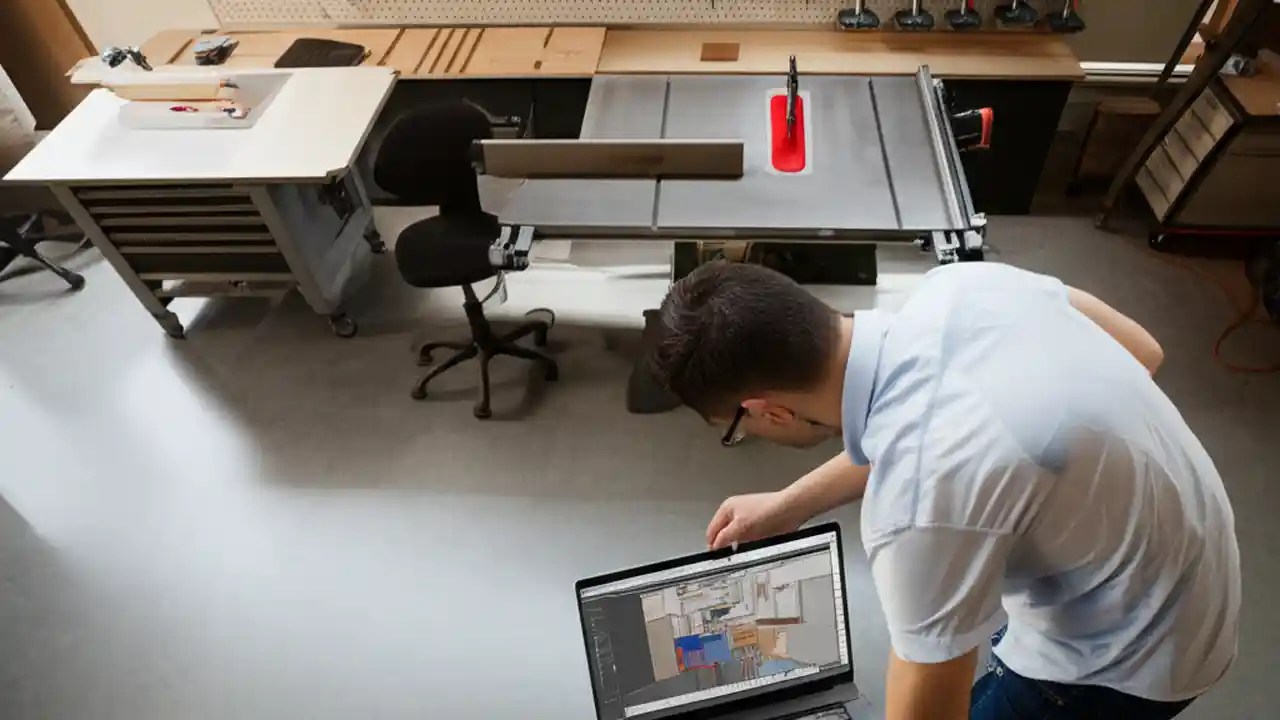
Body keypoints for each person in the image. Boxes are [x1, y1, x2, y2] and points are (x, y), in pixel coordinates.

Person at [646, 260, 1240, 720]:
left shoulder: (916, 511)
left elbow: (935, 462)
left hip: (1130, 661)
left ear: (768, 412)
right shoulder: (964, 286)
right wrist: (788, 504)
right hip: (1197, 565)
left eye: (736, 429)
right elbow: (1142, 352)